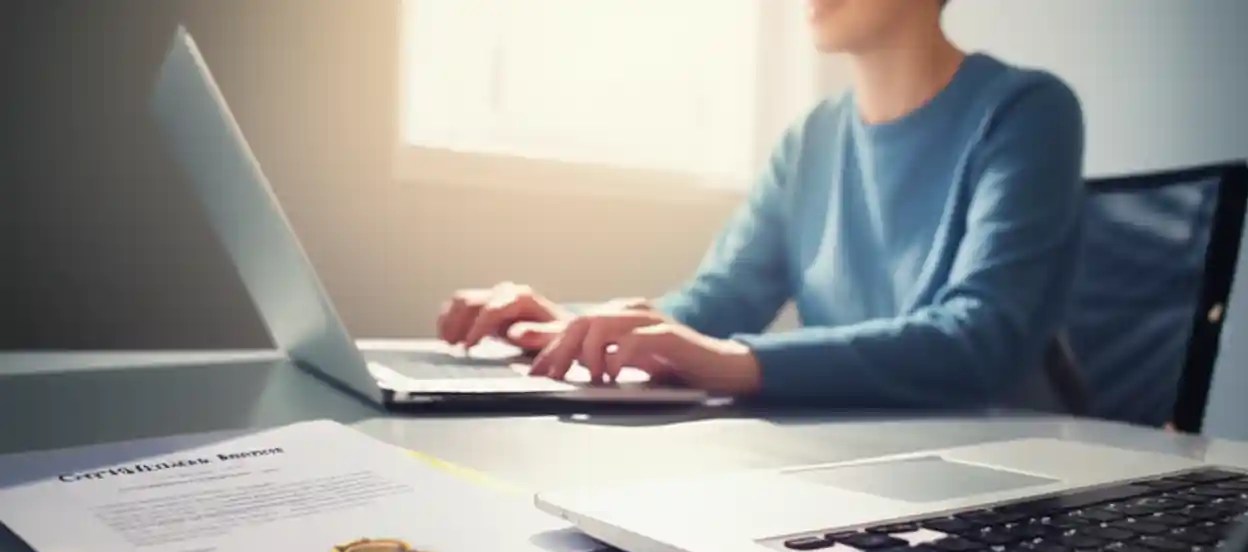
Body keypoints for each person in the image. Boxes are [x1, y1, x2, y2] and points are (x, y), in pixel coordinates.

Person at [436, 0, 1085, 408]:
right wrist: (579, 326)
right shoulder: (811, 139)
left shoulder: (1027, 111)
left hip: (1003, 462)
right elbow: (716, 304)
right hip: (859, 445)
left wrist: (734, 363)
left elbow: (976, 339)